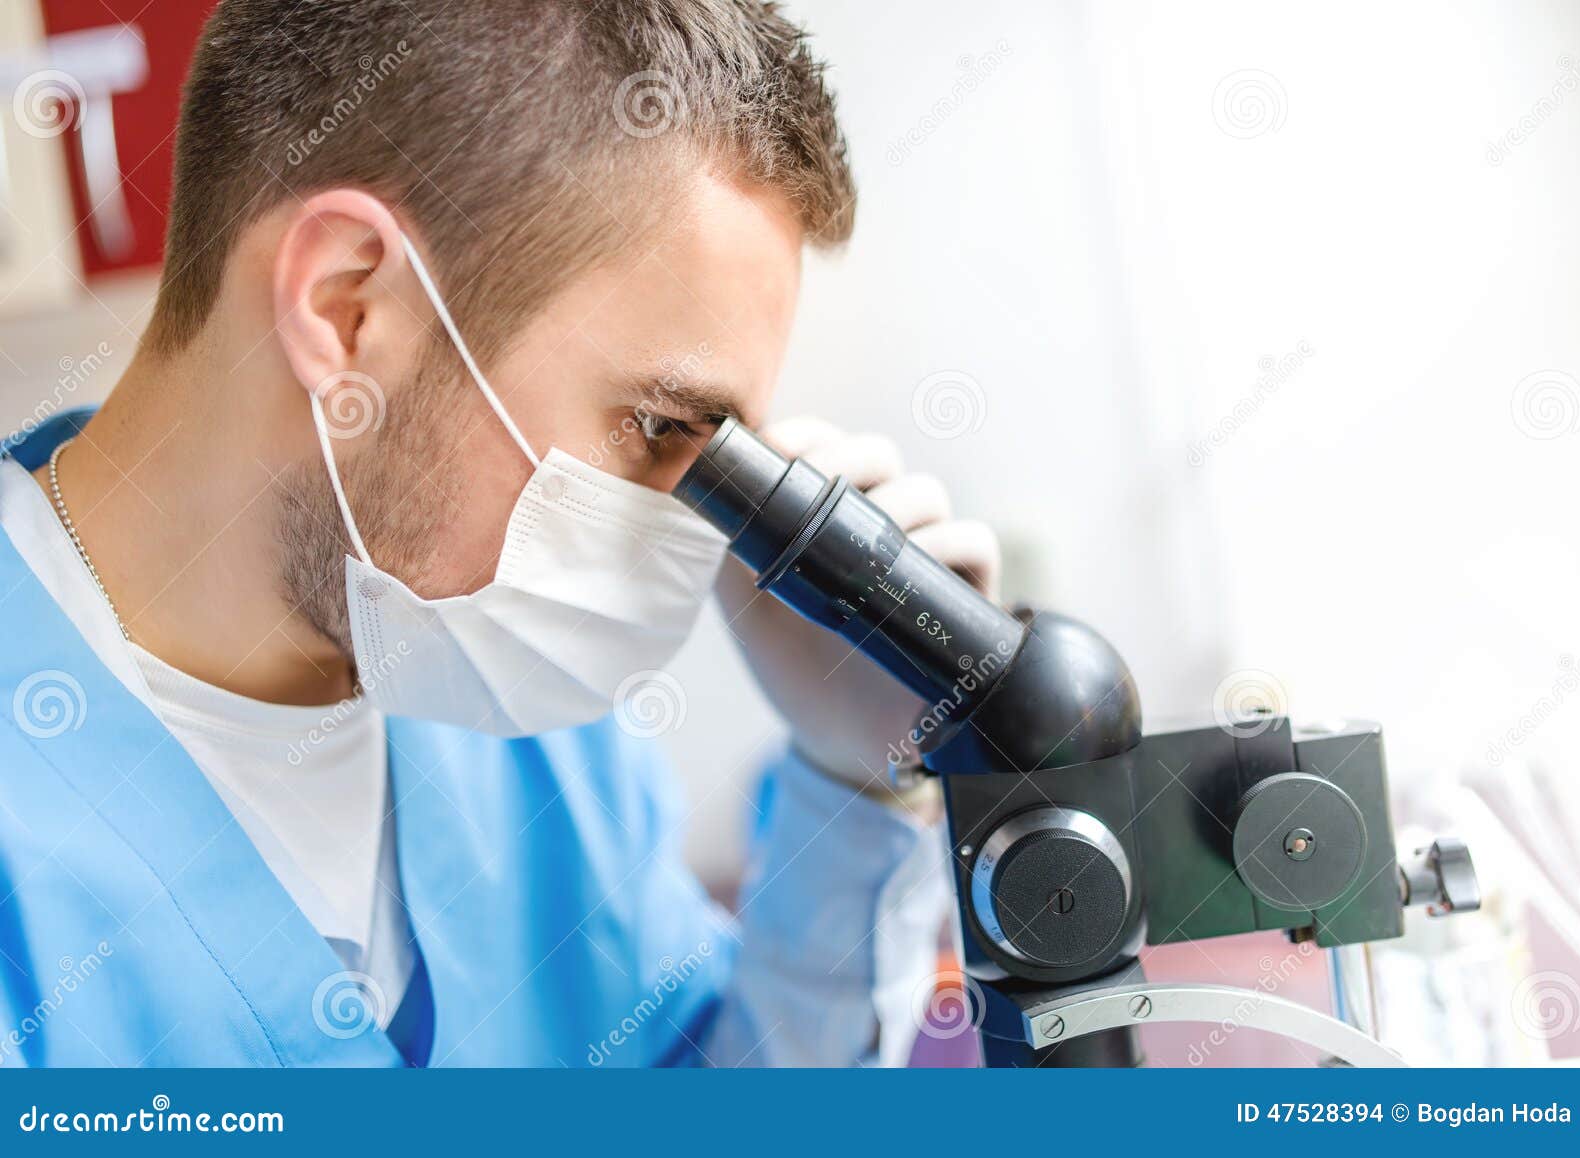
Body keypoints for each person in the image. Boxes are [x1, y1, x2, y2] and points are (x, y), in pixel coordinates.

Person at [0, 0, 999, 1067]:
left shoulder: (509, 703)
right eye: (658, 428)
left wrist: (853, 773)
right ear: (346, 307)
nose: (692, 528)